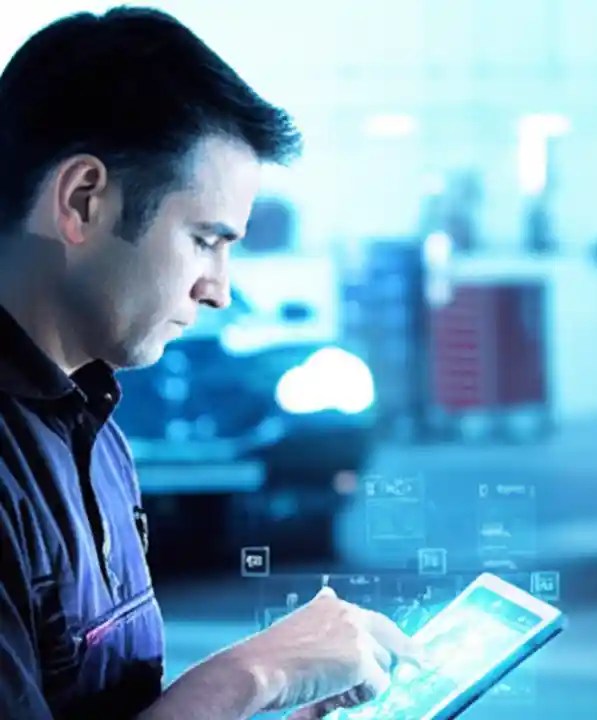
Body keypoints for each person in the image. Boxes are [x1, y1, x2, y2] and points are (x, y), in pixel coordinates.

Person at [0, 8, 424, 720]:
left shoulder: (93, 429)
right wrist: (252, 675)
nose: (219, 289)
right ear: (82, 200)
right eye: (205, 239)